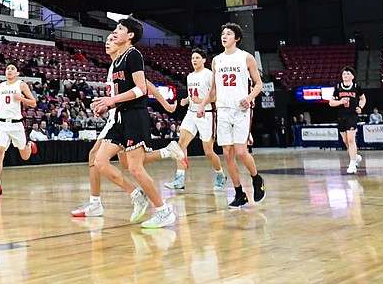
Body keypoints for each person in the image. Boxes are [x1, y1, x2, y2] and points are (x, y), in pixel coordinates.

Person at [71, 35, 181, 218]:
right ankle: (166, 152)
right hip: (116, 114)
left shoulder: (127, 60)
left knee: (99, 157)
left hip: (126, 116)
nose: (108, 42)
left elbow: (146, 85)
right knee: (126, 163)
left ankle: (97, 202)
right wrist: (104, 106)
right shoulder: (113, 67)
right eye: (108, 39)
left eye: (113, 39)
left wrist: (167, 106)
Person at [201, 22, 266, 209]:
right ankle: (239, 193)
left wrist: (249, 97)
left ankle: (256, 178)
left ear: (236, 38)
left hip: (241, 110)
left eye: (228, 34)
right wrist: (203, 105)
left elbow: (259, 84)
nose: (224, 36)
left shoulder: (246, 58)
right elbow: (213, 90)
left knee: (240, 151)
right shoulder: (216, 60)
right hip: (222, 110)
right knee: (227, 153)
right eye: (223, 33)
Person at [165, 48, 225, 190]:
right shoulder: (190, 76)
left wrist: (202, 101)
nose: (194, 60)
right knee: (181, 144)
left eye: (197, 57)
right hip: (191, 113)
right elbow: (192, 96)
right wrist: (186, 100)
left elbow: (217, 96)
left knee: (208, 151)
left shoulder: (209, 75)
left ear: (204, 60)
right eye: (193, 58)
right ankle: (179, 179)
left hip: (206, 113)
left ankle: (220, 174)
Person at [0, 61, 39, 196]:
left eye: (12, 69)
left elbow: (34, 103)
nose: (9, 71)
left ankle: (29, 144)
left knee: (24, 156)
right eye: (7, 69)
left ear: (17, 73)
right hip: (2, 124)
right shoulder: (0, 87)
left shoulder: (21, 85)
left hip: (17, 124)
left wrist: (20, 98)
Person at [329, 66, 366, 174]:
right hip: (341, 116)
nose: (345, 76)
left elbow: (363, 98)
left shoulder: (356, 87)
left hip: (352, 116)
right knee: (345, 141)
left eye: (347, 74)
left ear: (352, 76)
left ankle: (352, 163)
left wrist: (360, 107)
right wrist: (340, 102)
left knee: (351, 140)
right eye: (344, 74)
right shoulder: (338, 88)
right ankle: (356, 157)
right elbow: (331, 103)